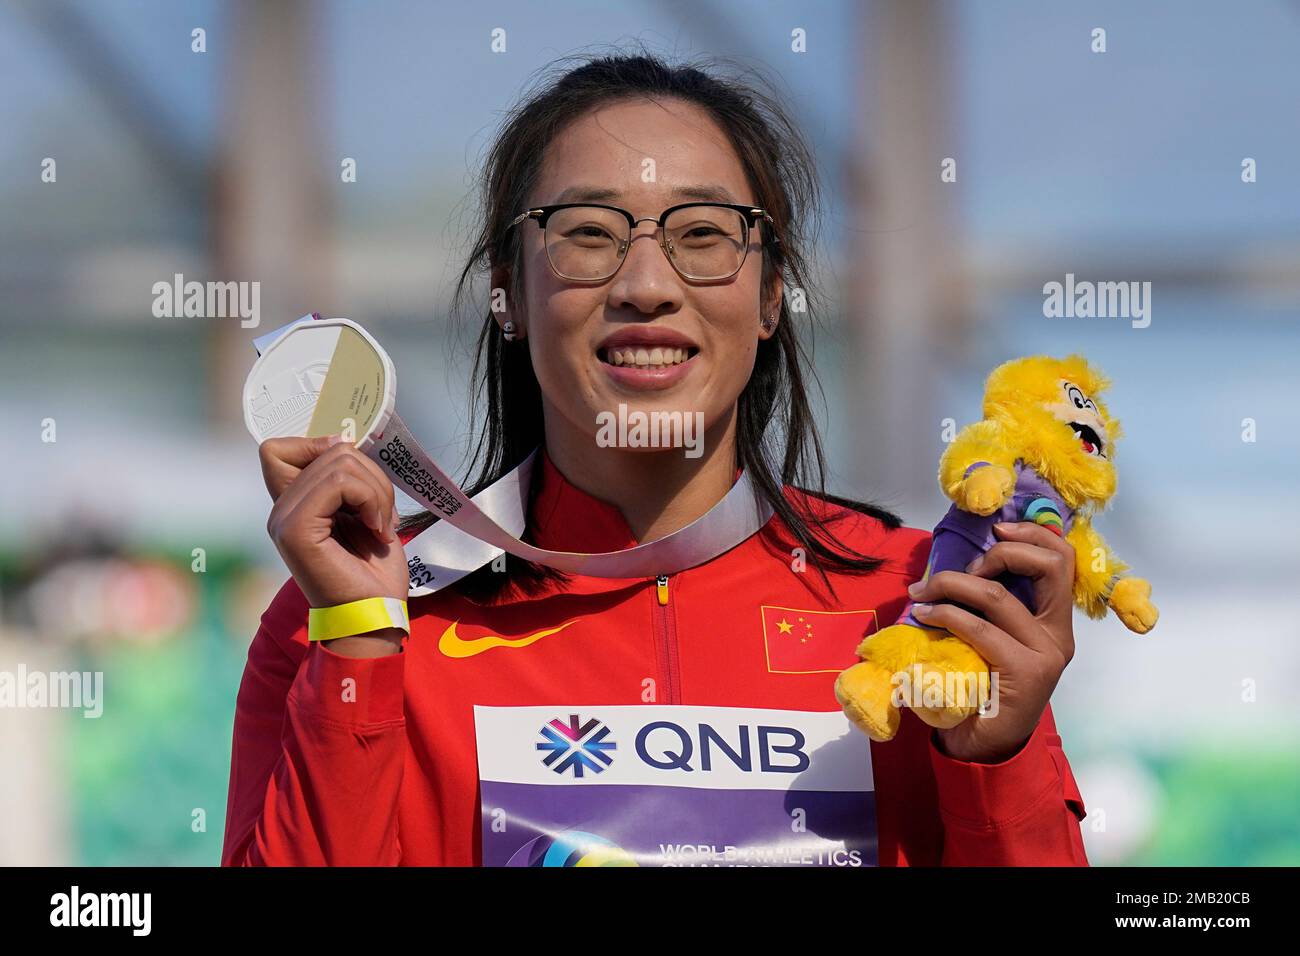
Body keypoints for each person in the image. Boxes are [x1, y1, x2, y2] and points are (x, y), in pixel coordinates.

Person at [221, 52, 1089, 866]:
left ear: (771, 296)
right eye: (588, 232)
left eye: (706, 233)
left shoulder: (928, 609)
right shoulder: (352, 610)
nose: (646, 284)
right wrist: (359, 644)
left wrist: (997, 759)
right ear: (510, 291)